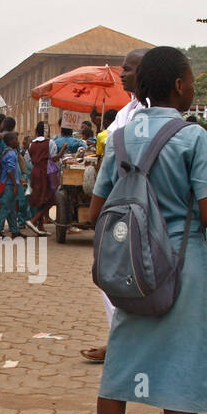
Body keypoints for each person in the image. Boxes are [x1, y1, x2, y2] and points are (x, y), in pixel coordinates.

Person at [89, 47, 207, 414]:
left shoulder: (121, 136)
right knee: (183, 375)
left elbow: (96, 212)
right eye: (191, 78)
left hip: (131, 267)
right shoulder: (194, 135)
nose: (194, 85)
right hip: (180, 267)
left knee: (118, 372)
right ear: (179, 85)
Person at [83, 48, 149, 363]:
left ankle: (137, 347)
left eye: (129, 69)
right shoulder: (124, 112)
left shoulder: (160, 113)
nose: (122, 75)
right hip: (121, 208)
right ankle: (121, 340)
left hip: (149, 211)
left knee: (147, 277)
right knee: (114, 277)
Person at [0, 130, 25, 237]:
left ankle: (14, 231)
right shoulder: (11, 153)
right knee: (6, 207)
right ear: (10, 141)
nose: (17, 141)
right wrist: (15, 184)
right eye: (15, 139)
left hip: (8, 183)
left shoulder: (7, 152)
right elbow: (10, 170)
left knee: (11, 208)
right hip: (9, 184)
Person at [27, 120, 55, 235]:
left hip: (35, 172)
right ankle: (33, 221)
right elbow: (53, 159)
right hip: (46, 172)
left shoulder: (31, 144)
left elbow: (29, 158)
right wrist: (63, 150)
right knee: (51, 199)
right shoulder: (50, 143)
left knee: (40, 198)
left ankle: (40, 226)